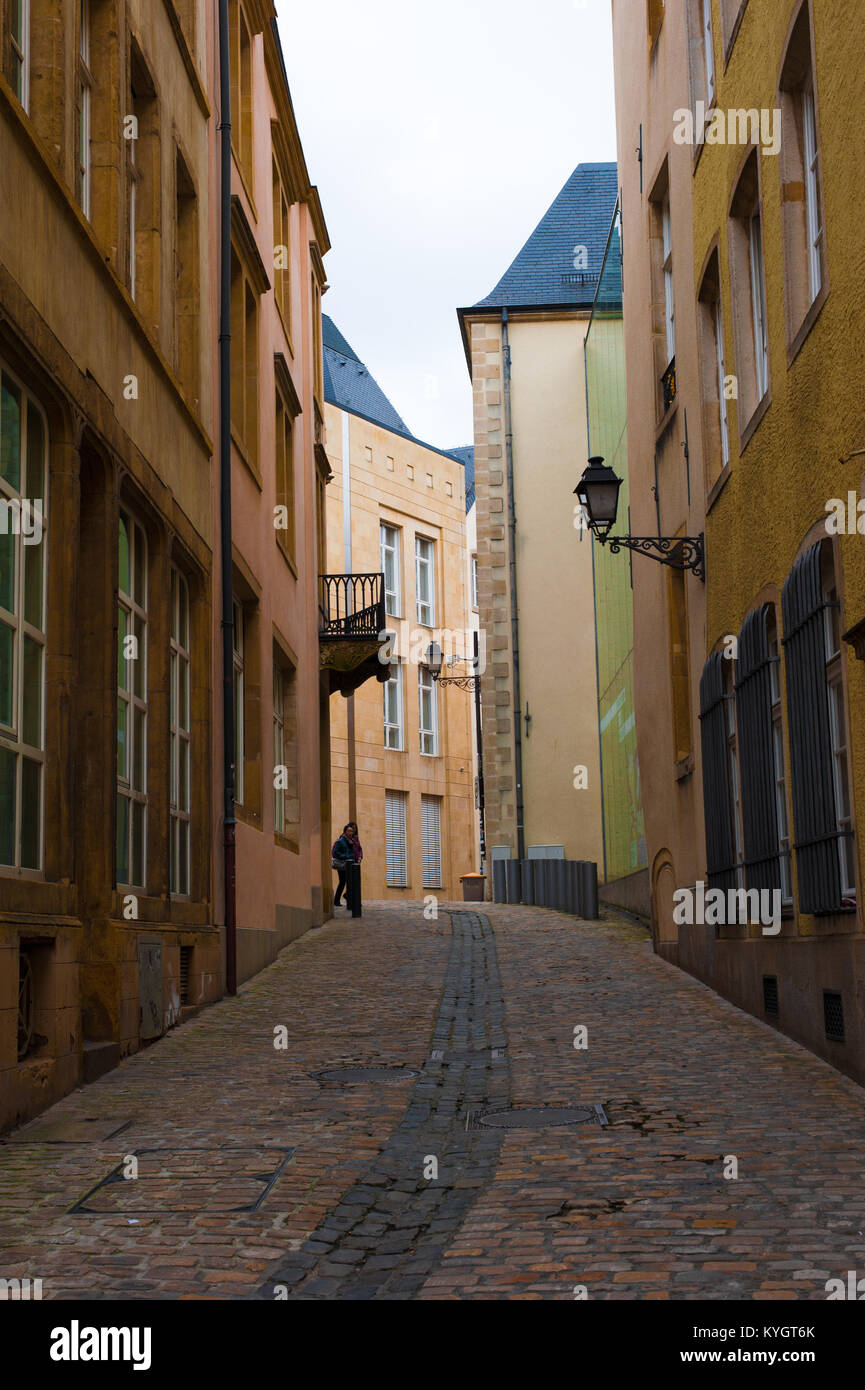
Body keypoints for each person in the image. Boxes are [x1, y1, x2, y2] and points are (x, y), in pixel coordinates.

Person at [332, 825, 356, 909]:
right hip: (342, 864)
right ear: (345, 832)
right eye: (349, 831)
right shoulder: (340, 841)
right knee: (342, 882)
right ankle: (336, 900)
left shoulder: (351, 841)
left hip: (348, 864)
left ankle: (344, 896)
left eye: (351, 831)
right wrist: (346, 856)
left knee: (348, 881)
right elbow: (335, 853)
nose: (350, 833)